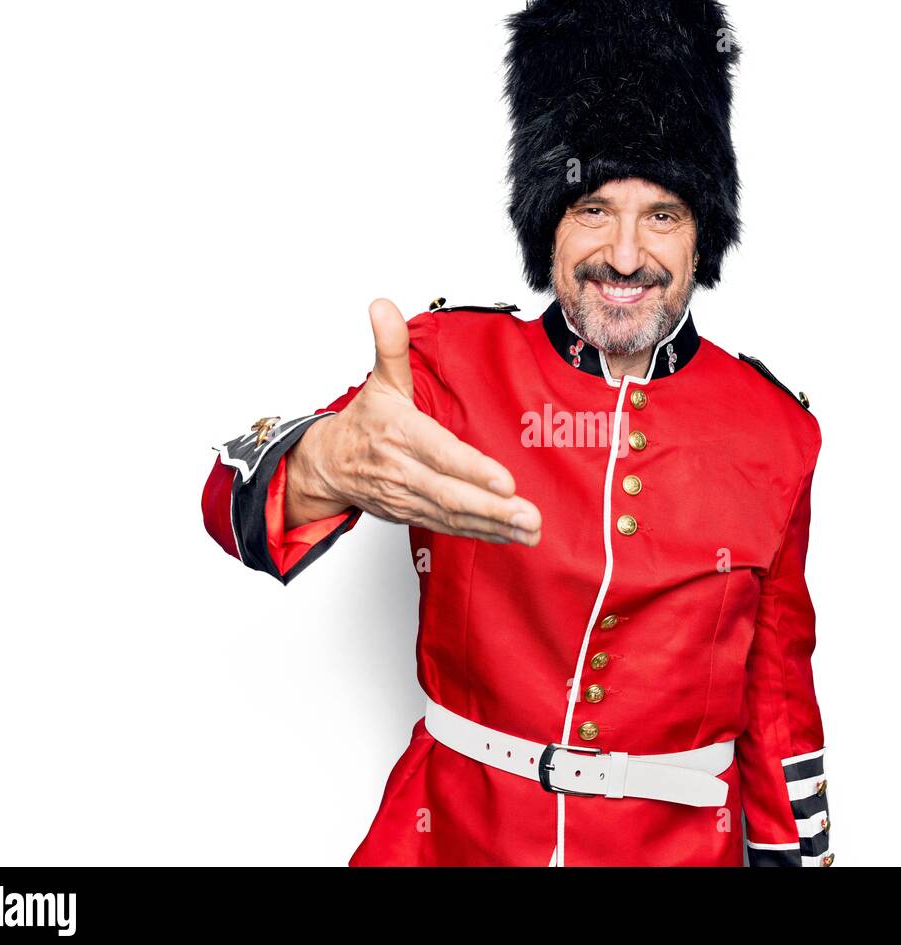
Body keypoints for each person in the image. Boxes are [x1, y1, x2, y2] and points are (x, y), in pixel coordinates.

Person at [201, 0, 833, 867]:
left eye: (662, 215)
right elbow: (232, 503)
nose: (623, 254)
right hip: (453, 838)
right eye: (593, 208)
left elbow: (778, 698)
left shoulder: (777, 430)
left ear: (701, 237)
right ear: (548, 221)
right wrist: (323, 463)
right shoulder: (444, 363)